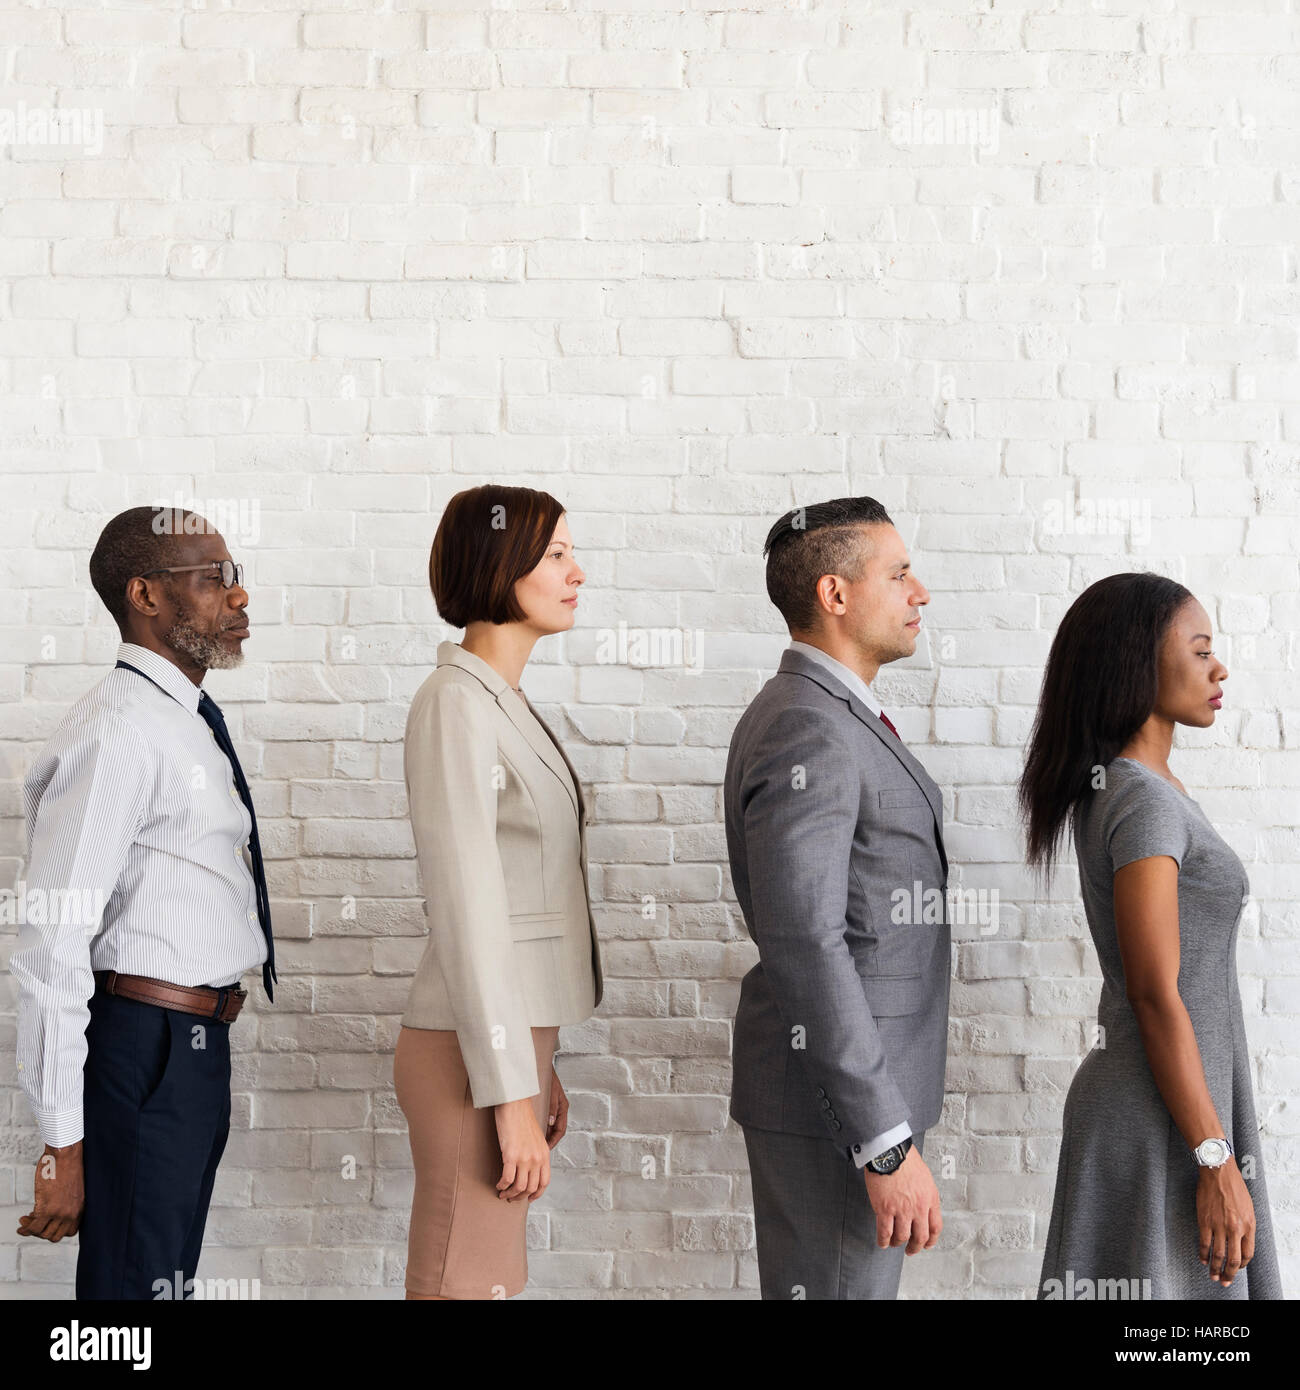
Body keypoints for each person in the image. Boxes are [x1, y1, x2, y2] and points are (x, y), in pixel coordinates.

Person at [12, 505, 275, 1299]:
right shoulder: (122, 728)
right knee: (131, 1296)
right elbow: (51, 943)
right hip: (146, 1045)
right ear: (146, 596)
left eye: (235, 575)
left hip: (188, 1044)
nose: (238, 596)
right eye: (213, 578)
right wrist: (62, 1140)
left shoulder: (181, 720)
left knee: (160, 1282)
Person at [1022, 572, 1282, 1300]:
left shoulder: (1141, 788)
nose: (1218, 668)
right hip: (1158, 1117)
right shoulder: (1140, 799)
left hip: (1182, 1106)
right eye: (1199, 651)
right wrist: (1213, 1158)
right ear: (1138, 664)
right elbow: (1153, 990)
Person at [726, 496, 949, 1300]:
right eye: (899, 573)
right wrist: (882, 1143)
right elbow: (805, 940)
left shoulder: (833, 715)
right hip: (840, 1109)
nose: (919, 591)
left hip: (851, 1098)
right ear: (835, 595)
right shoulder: (809, 727)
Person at [395, 483, 604, 1300]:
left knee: (490, 1283)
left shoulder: (499, 700)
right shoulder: (456, 703)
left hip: (505, 1044)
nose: (577, 571)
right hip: (466, 1056)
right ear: (499, 565)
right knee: (461, 1283)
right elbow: (470, 907)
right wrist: (509, 1091)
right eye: (555, 555)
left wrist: (534, 1066)